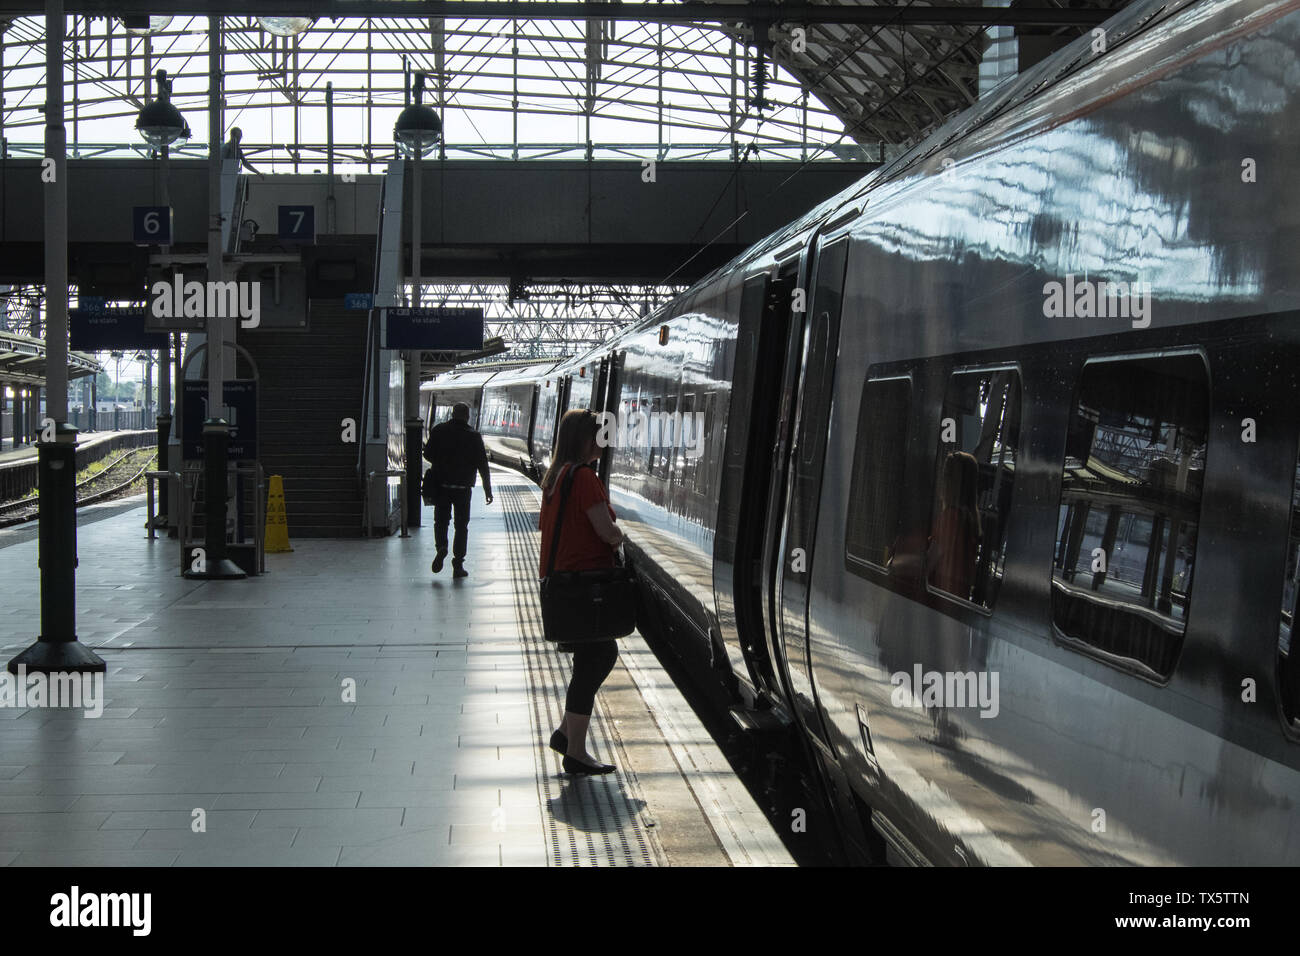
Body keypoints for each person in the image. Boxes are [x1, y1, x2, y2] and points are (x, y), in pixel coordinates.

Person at [538, 408, 625, 775]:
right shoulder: (585, 477)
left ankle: (565, 734)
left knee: (591, 659)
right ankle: (575, 751)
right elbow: (605, 531)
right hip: (585, 587)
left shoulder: (556, 476)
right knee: (598, 657)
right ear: (585, 441)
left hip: (563, 584)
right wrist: (620, 538)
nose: (602, 443)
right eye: (597, 436)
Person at [423, 402, 493, 578]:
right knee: (461, 526)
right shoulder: (474, 436)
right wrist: (487, 490)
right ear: (467, 416)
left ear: (452, 414)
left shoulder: (439, 430)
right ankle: (458, 565)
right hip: (463, 488)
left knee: (441, 522)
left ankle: (442, 547)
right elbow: (483, 465)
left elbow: (427, 454)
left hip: (442, 486)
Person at [928, 450, 982, 600]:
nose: (942, 480)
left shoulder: (951, 517)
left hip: (938, 600)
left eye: (946, 475)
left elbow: (928, 563)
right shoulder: (970, 519)